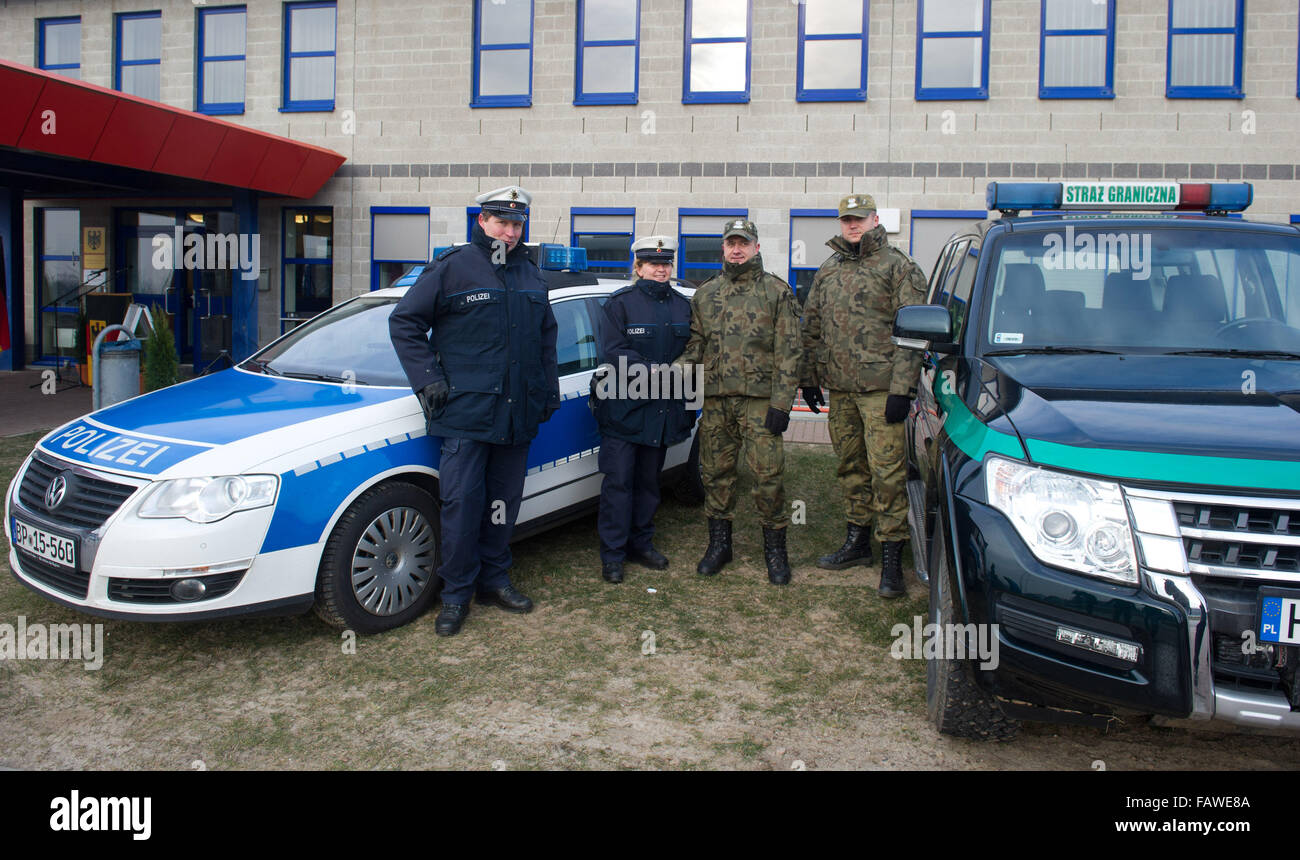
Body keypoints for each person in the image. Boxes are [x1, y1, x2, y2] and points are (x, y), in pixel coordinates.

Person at [388, 185, 560, 636]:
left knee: (503, 502)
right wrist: (428, 380)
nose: (509, 231)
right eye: (501, 222)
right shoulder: (454, 268)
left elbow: (546, 341)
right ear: (481, 221)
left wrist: (548, 393)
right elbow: (405, 322)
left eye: (517, 224)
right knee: (462, 505)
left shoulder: (530, 273)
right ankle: (456, 595)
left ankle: (495, 580)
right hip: (465, 414)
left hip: (516, 414)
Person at [799, 194, 927, 598]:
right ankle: (858, 543)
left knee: (887, 474)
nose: (852, 226)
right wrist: (809, 377)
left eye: (859, 219)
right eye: (846, 220)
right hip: (841, 390)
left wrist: (902, 389)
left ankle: (892, 558)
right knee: (850, 467)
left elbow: (914, 333)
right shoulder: (829, 269)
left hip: (881, 392)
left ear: (875, 220)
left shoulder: (899, 267)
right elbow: (812, 325)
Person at [676, 219, 801, 585]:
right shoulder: (706, 293)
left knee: (768, 476)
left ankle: (775, 551)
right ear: (723, 248)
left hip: (761, 402)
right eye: (731, 243)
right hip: (717, 400)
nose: (737, 249)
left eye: (743, 243)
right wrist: (676, 370)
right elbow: (696, 343)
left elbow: (790, 351)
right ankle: (720, 545)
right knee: (716, 474)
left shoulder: (776, 292)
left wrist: (782, 404)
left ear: (756, 247)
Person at [591, 236, 695, 583]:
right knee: (619, 483)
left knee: (649, 484)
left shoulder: (683, 307)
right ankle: (613, 554)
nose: (660, 269)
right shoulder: (619, 304)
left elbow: (693, 357)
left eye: (665, 264)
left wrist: (688, 402)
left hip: (662, 413)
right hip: (624, 411)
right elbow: (613, 350)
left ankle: (642, 543)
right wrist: (652, 370)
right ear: (638, 267)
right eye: (653, 263)